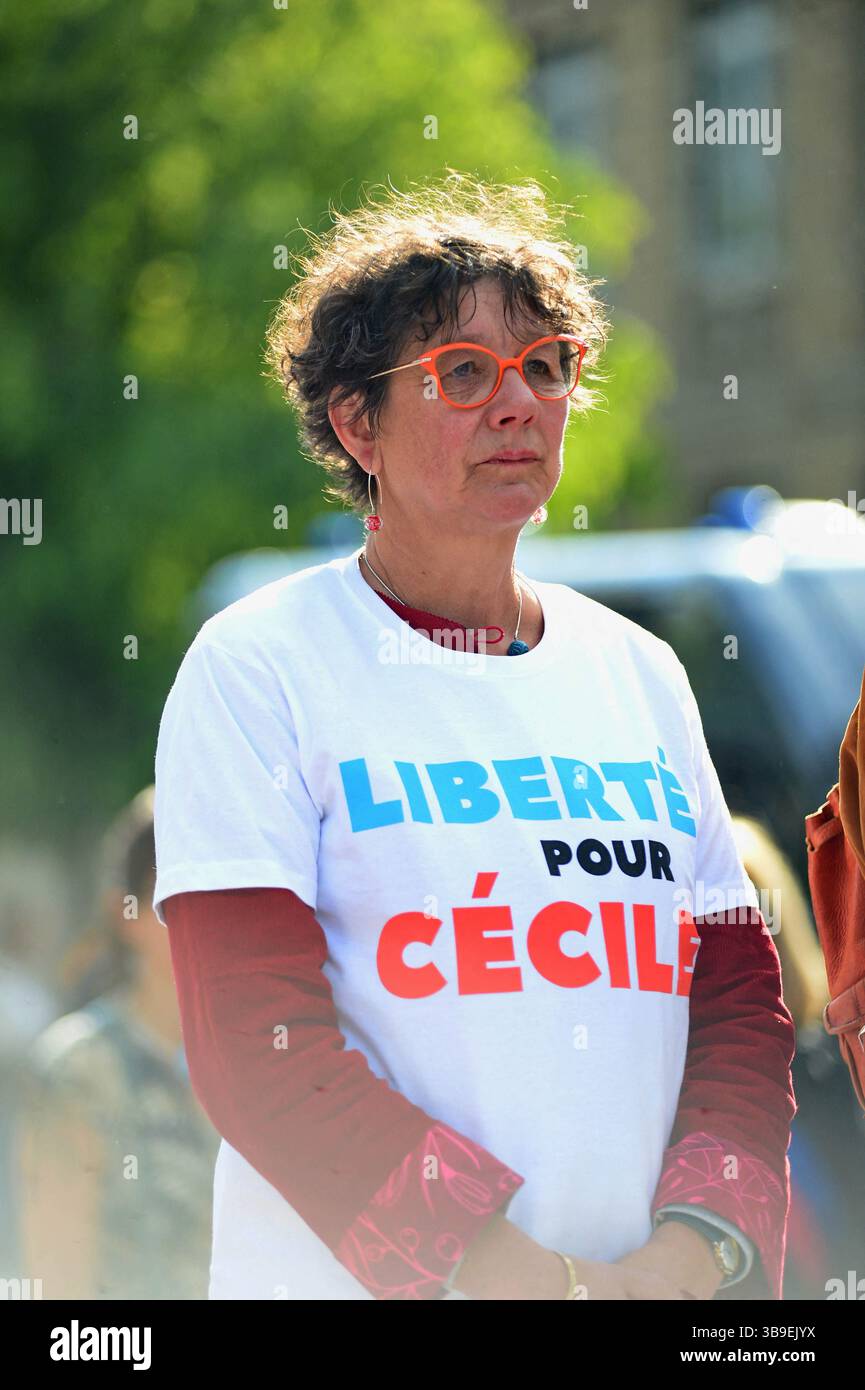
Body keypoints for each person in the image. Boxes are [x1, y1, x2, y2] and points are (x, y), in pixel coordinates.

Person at [153, 171, 796, 1300]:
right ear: (356, 422)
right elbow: (257, 1047)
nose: (519, 402)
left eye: (545, 364)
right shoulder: (259, 666)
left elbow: (741, 1002)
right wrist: (525, 1280)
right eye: (462, 373)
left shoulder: (639, 673)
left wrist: (686, 1262)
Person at [16, 787, 220, 1299]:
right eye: (174, 898)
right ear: (124, 912)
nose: (200, 919)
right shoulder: (80, 1072)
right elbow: (58, 1286)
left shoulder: (262, 1065)